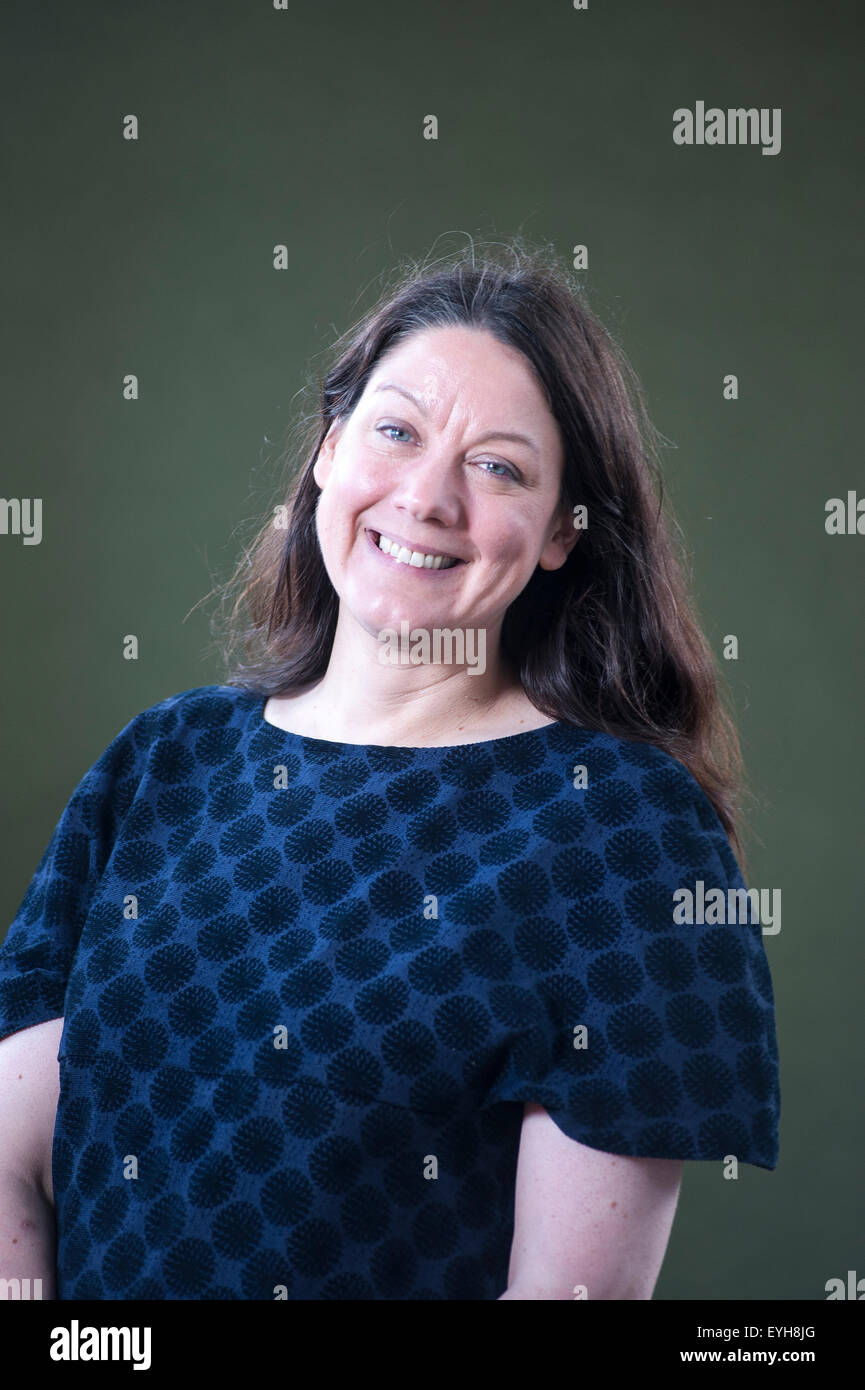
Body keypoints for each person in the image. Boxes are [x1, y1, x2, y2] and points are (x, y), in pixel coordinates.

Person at [0, 239, 780, 1300]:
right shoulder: (162, 762)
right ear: (328, 452)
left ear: (561, 532)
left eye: (497, 465)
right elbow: (12, 1163)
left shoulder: (627, 835)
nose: (426, 497)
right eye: (396, 431)